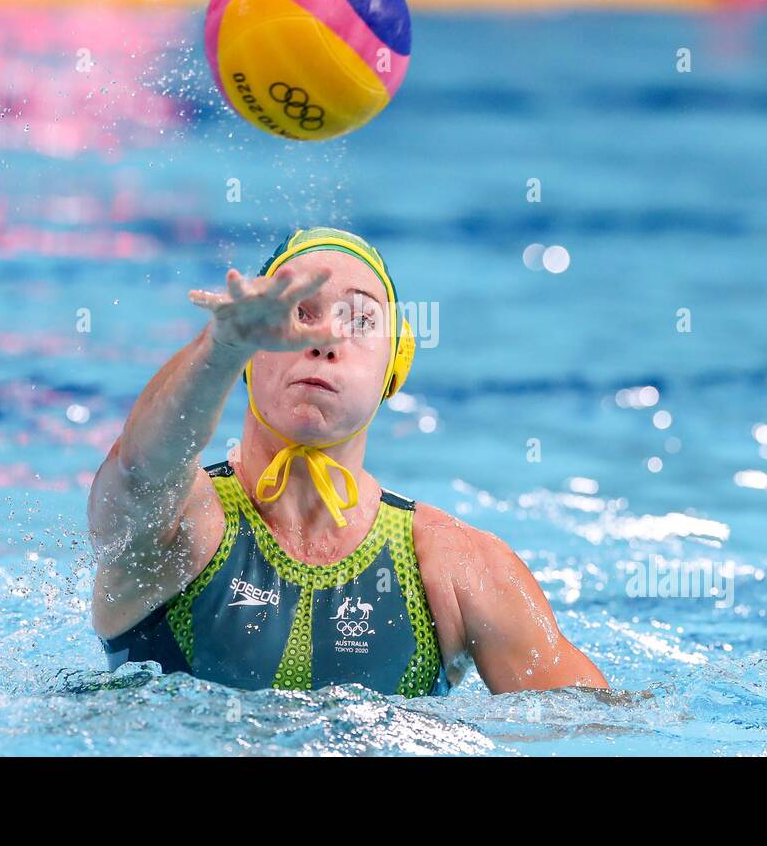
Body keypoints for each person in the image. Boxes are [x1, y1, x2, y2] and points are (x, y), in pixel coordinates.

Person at [88, 227, 609, 697]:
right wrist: (221, 347)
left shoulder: (458, 568)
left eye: (360, 320)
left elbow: (598, 731)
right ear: (252, 354)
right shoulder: (183, 529)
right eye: (296, 315)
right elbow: (137, 471)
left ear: (393, 368)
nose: (324, 342)